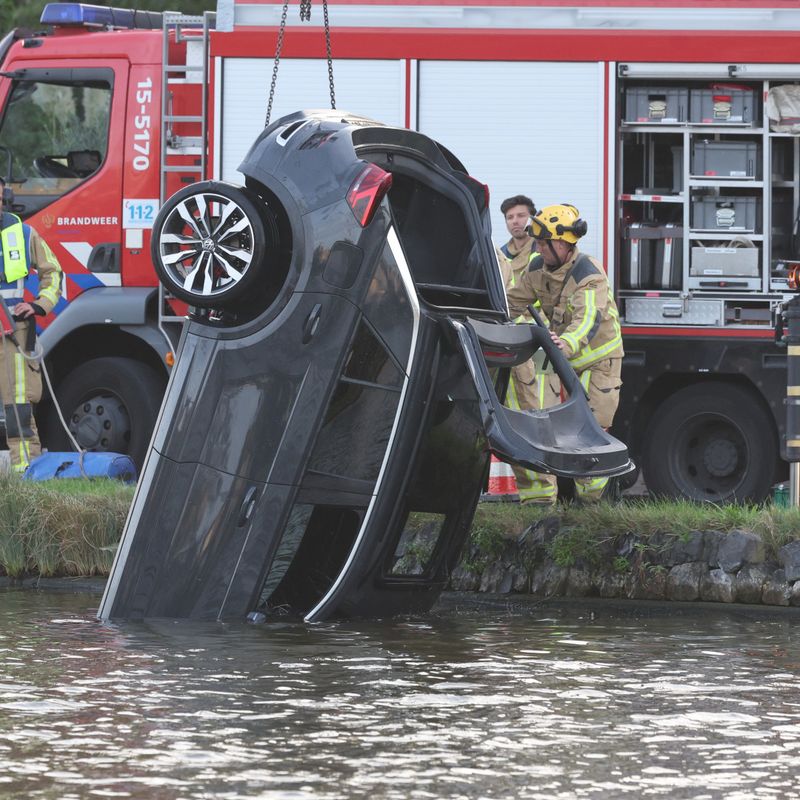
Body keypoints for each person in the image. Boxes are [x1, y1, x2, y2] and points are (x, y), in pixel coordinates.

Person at [506, 203, 623, 503]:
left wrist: (566, 344)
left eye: (544, 243)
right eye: (537, 242)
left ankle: (596, 507)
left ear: (562, 243)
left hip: (597, 362)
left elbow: (587, 320)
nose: (538, 248)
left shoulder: (589, 274)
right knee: (546, 427)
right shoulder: (536, 269)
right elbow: (512, 302)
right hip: (561, 359)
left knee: (591, 436)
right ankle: (555, 503)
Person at [496, 194, 557, 503]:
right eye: (510, 217)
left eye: (521, 216)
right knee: (517, 414)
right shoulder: (500, 255)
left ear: (532, 219)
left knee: (543, 413)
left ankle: (550, 487)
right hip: (513, 344)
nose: (515, 221)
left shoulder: (543, 253)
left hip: (539, 344)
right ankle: (533, 493)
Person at [0, 176, 62, 472]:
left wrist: (38, 305)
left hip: (13, 334)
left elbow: (53, 272)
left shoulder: (22, 234)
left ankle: (25, 471)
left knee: (19, 406)